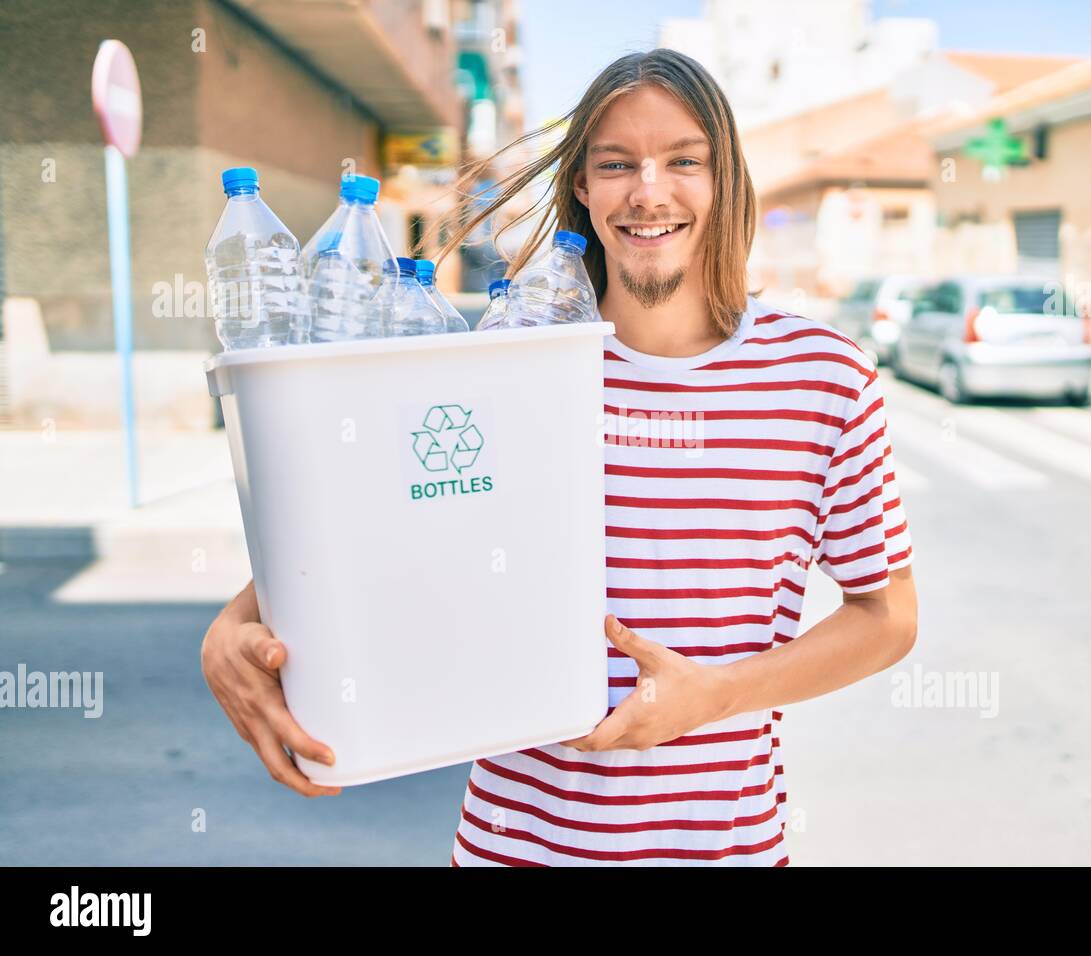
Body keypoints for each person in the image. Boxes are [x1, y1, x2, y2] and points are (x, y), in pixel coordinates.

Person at [200, 48, 918, 867]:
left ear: (725, 180)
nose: (649, 190)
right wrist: (231, 626)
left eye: (684, 160)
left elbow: (887, 616)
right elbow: (380, 529)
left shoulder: (823, 376)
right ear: (582, 185)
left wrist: (714, 697)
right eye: (616, 165)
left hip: (729, 851)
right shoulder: (512, 363)